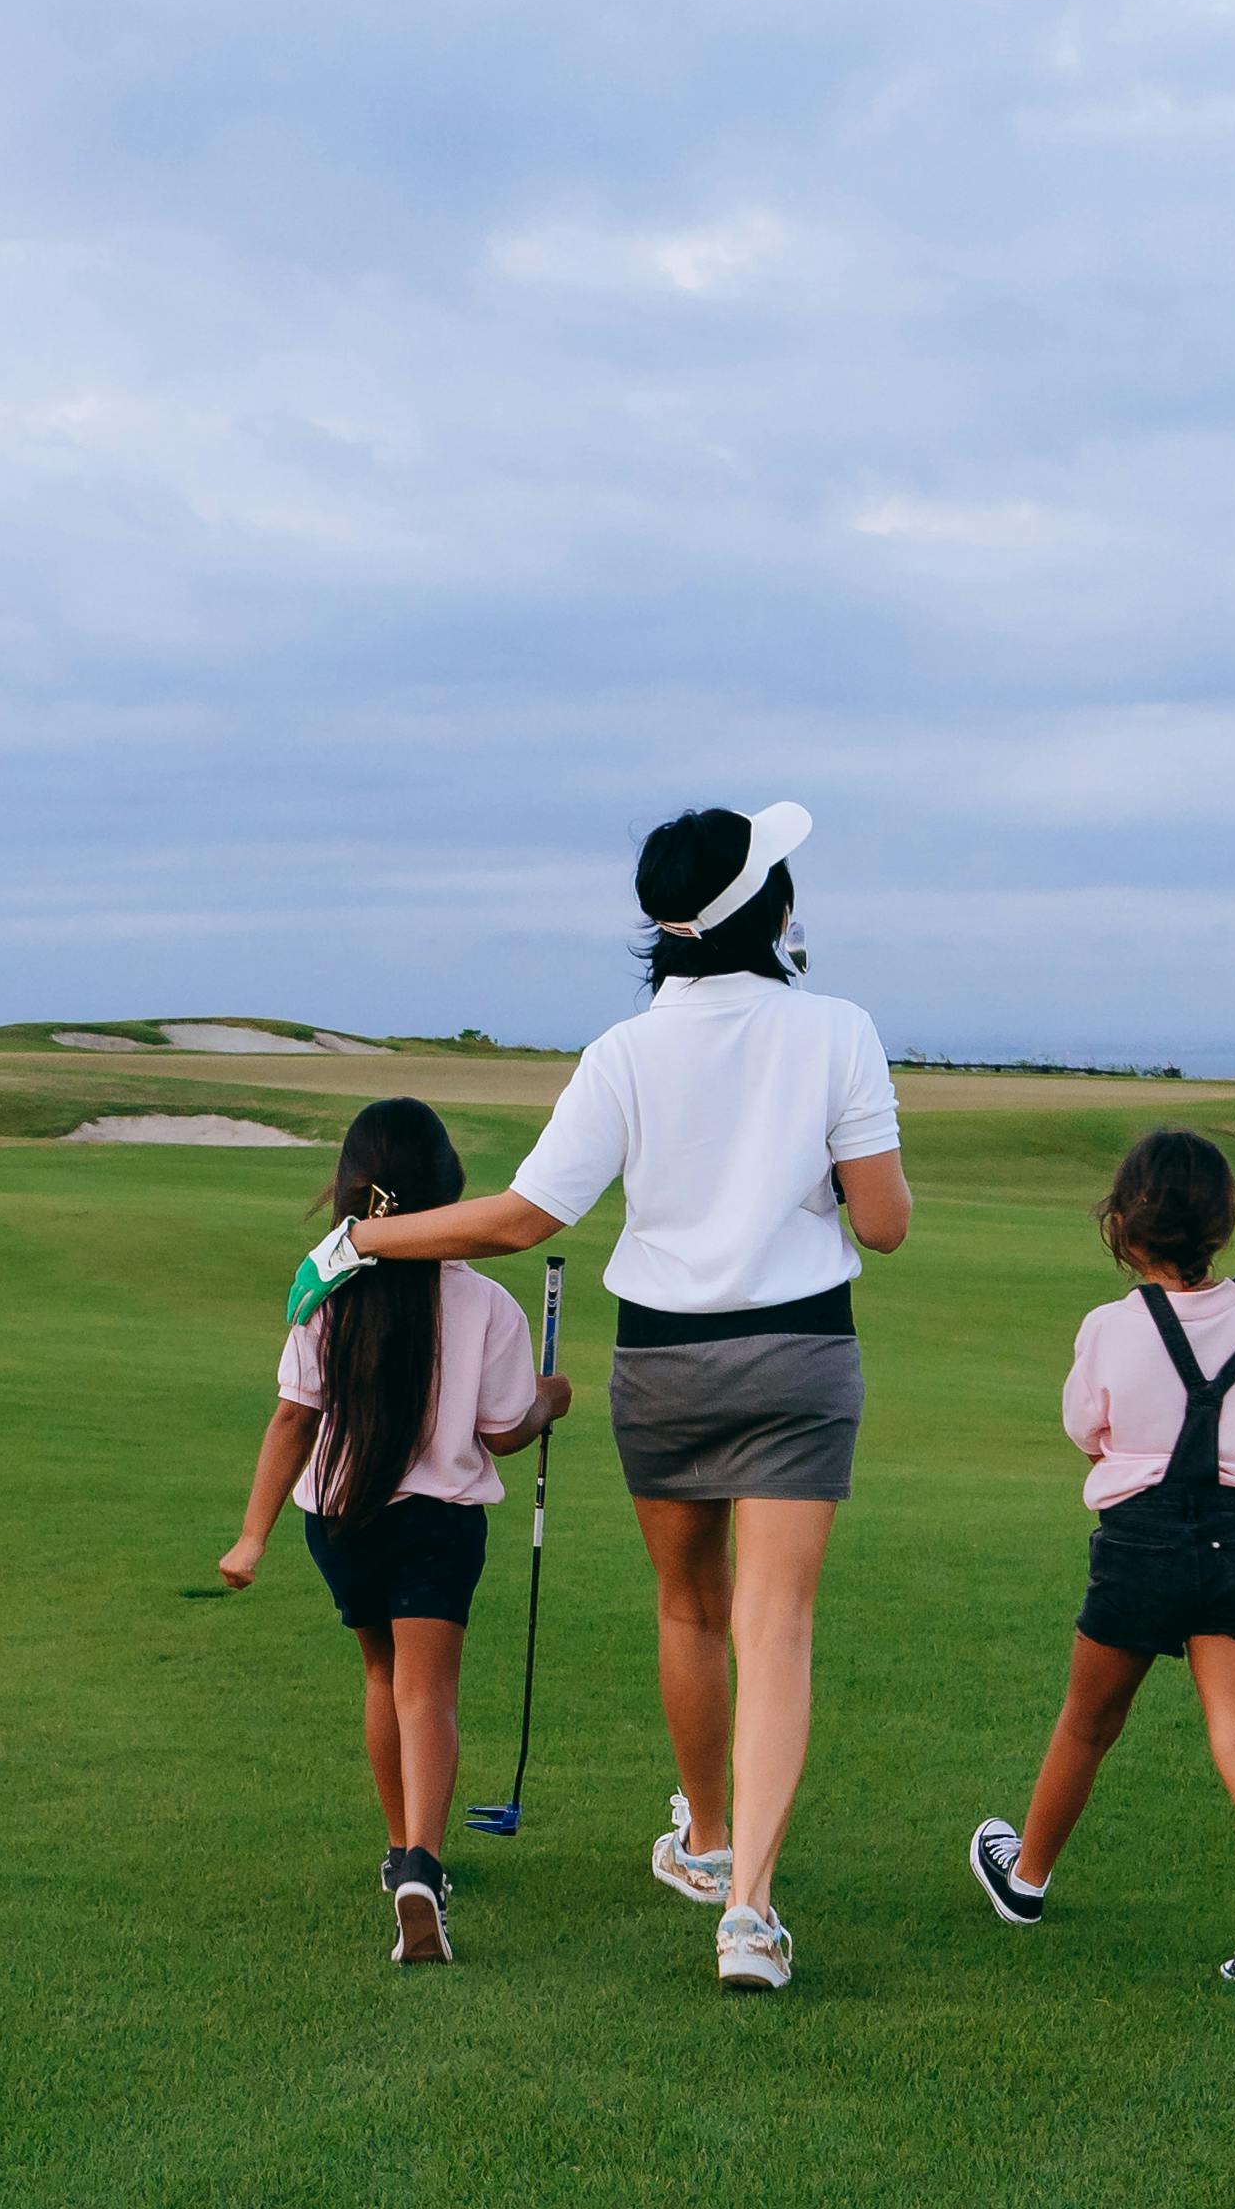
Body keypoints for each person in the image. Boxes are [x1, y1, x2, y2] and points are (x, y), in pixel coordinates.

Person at [306, 804, 907, 1993]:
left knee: (692, 1608)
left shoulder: (623, 1053)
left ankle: (711, 1840)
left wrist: (363, 1241)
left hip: (663, 1363)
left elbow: (524, 1220)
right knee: (773, 1627)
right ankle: (748, 1913)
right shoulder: (839, 1028)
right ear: (768, 913)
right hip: (799, 1351)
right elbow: (882, 1225)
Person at [969, 1128, 1235, 1991]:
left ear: (1128, 1229)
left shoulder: (1108, 1328)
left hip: (1139, 1543)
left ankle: (1026, 1881)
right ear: (1222, 1226)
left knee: (1088, 1723)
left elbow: (1085, 1431)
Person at [221, 1098, 573, 1963]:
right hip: (437, 1525)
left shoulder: (325, 1285)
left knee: (384, 1677)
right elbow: (501, 1431)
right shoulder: (484, 1299)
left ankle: (398, 1853)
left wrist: (251, 1538)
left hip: (339, 1522)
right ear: (449, 1191)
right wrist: (549, 1400)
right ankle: (424, 1862)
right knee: (430, 1694)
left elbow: (291, 1421)